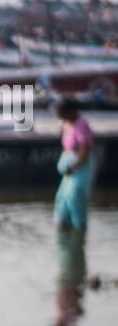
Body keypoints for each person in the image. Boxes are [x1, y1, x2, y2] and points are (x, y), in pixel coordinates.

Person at [54, 95, 95, 231]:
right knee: (62, 198)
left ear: (70, 111)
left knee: (75, 196)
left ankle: (79, 229)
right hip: (69, 164)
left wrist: (74, 165)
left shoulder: (81, 124)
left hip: (80, 165)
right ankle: (63, 226)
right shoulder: (67, 123)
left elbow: (86, 147)